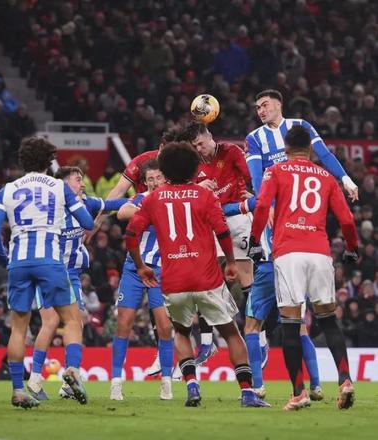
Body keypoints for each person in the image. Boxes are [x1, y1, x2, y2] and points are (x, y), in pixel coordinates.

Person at [125, 142, 269, 408]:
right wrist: (230, 263)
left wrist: (141, 266)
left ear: (165, 169)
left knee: (181, 331)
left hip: (174, 280)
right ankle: (248, 392)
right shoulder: (205, 195)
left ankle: (192, 385)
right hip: (207, 278)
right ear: (194, 168)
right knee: (231, 333)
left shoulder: (153, 198)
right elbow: (222, 231)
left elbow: (131, 234)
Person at [243, 89, 358, 399]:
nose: (260, 110)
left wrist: (346, 178)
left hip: (285, 249)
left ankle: (299, 391)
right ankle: (340, 381)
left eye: (265, 104)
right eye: (257, 107)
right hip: (315, 248)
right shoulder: (255, 138)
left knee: (291, 322)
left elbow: (324, 155)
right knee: (325, 318)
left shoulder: (297, 134)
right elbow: (346, 220)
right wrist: (352, 248)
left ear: (279, 104)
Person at [0, 137, 94, 409]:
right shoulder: (59, 187)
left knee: (19, 328)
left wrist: (4, 257)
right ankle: (72, 369)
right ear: (49, 161)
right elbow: (87, 221)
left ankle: (18, 389)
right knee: (72, 320)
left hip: (19, 262)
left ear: (22, 160)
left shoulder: (7, 190)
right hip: (50, 261)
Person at [27, 166, 127, 401]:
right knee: (51, 322)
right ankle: (35, 378)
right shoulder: (51, 206)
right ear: (62, 184)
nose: (82, 184)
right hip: (49, 271)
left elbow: (113, 204)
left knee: (77, 320)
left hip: (71, 273)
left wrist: (145, 198)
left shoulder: (87, 203)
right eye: (77, 180)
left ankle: (69, 380)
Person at [179, 122, 253, 366]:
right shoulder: (192, 164)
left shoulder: (231, 152)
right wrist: (197, 187)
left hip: (237, 219)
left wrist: (254, 194)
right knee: (205, 280)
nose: (199, 149)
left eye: (201, 143)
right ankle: (207, 343)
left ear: (210, 136)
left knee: (246, 278)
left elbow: (251, 175)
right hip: (210, 223)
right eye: (195, 146)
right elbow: (182, 191)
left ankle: (258, 338)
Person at [110, 158, 174, 401]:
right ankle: (116, 382)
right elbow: (122, 212)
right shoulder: (142, 198)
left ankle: (166, 382)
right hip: (135, 269)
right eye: (150, 179)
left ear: (166, 178)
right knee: (123, 324)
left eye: (158, 178)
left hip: (162, 271)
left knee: (164, 327)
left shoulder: (174, 198)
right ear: (145, 182)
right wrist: (148, 212)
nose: (155, 182)